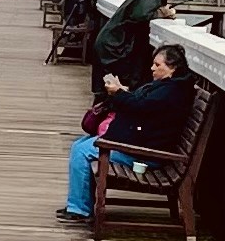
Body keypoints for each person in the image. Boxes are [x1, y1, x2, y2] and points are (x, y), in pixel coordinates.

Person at [62, 47, 190, 223]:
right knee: (81, 144)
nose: (152, 68)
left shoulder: (170, 91)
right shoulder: (171, 87)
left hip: (145, 155)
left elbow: (140, 106)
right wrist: (122, 91)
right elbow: (143, 105)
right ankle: (79, 204)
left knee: (82, 150)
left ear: (172, 68)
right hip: (142, 145)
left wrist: (119, 93)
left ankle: (80, 209)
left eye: (157, 64)